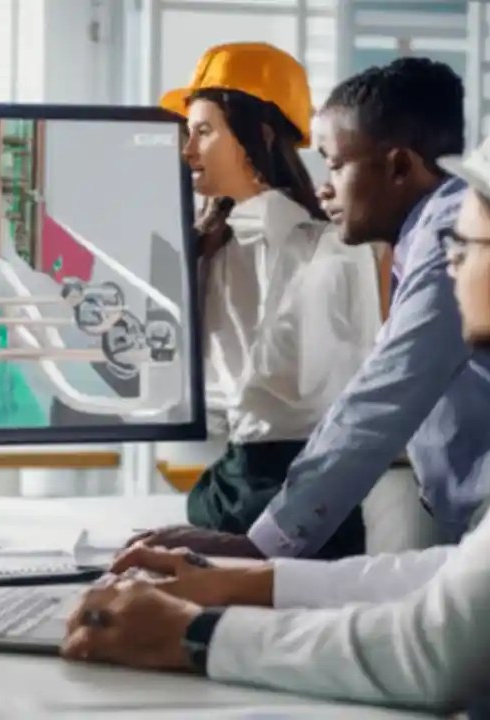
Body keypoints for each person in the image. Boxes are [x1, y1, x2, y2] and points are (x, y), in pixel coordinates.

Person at [62, 81, 490, 718]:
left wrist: (191, 634)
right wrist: (244, 582)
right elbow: (471, 575)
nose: (447, 268)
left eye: (461, 245)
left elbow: (433, 654)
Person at [131, 57, 490, 558]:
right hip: (473, 515)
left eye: (336, 164)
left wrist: (263, 548)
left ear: (399, 166)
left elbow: (378, 398)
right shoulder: (422, 237)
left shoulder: (450, 238)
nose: (325, 185)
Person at [159, 42, 382, 557]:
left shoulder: (328, 249)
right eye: (187, 134)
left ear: (258, 136)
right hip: (238, 484)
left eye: (204, 131)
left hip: (298, 494)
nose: (188, 151)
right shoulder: (214, 246)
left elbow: (321, 387)